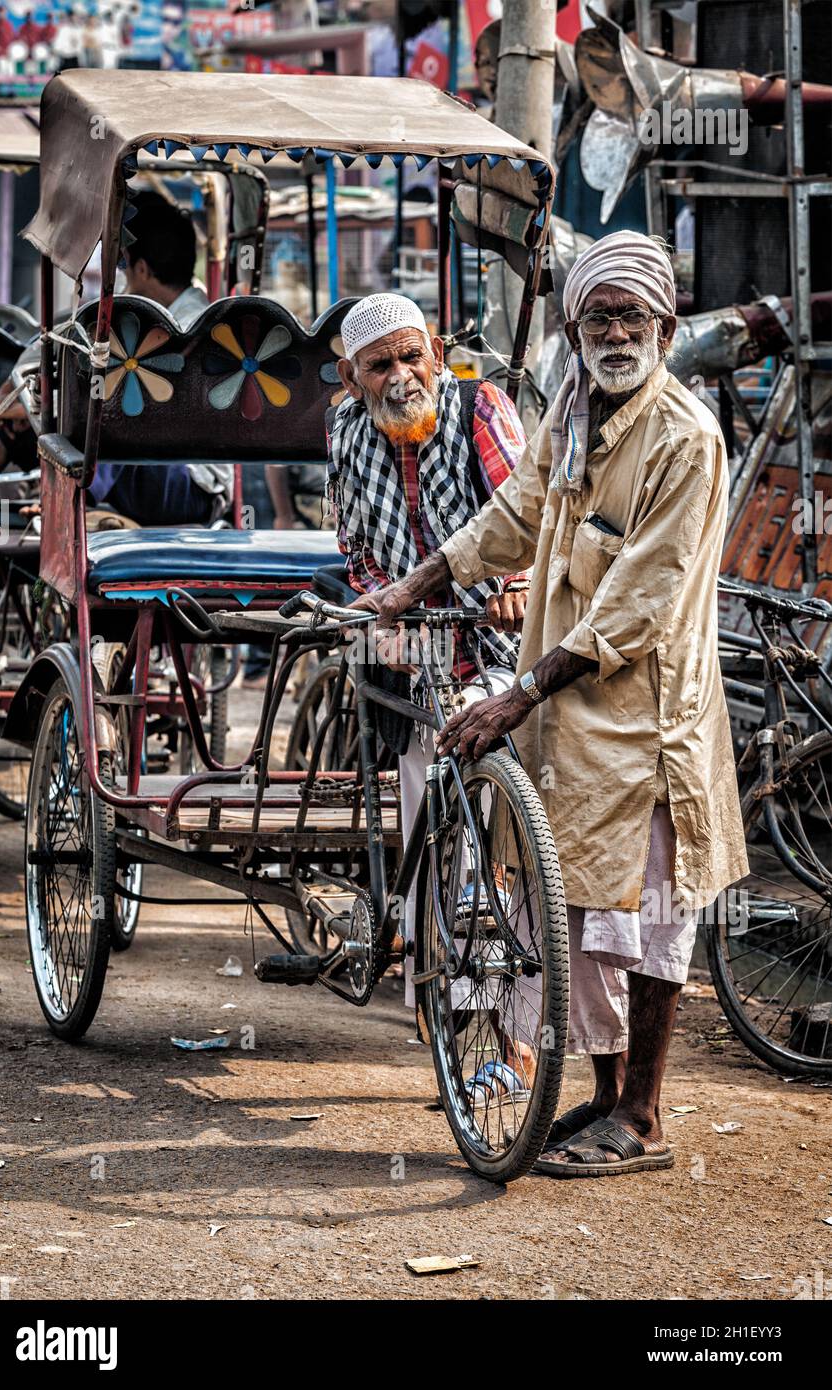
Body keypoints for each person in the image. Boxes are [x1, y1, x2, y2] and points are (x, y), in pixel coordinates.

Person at [356, 235, 749, 1177]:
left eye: (633, 316)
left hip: (651, 725)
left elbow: (639, 604)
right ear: (573, 330)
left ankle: (645, 1116)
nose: (616, 333)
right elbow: (515, 516)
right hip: (572, 722)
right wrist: (418, 582)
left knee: (654, 920)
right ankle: (608, 1097)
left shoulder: (685, 438)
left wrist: (516, 695)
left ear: (664, 325)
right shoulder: (575, 417)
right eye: (598, 317)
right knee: (582, 921)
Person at [328, 292, 531, 1030]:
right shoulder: (345, 430)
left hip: (495, 632)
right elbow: (350, 541)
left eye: (413, 356)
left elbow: (522, 511)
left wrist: (511, 584)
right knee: (424, 808)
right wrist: (383, 600)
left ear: (436, 355)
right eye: (379, 365)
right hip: (413, 646)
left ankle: (509, 1003)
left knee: (502, 808)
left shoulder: (481, 406)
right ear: (352, 380)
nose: (400, 375)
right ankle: (435, 988)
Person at [0, 194, 231, 525]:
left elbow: (131, 403)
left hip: (190, 489)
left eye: (124, 267)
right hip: (161, 476)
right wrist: (24, 390)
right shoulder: (166, 318)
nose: (122, 281)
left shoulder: (182, 324)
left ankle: (75, 501)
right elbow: (66, 334)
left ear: (142, 268)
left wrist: (41, 402)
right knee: (81, 398)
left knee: (103, 406)